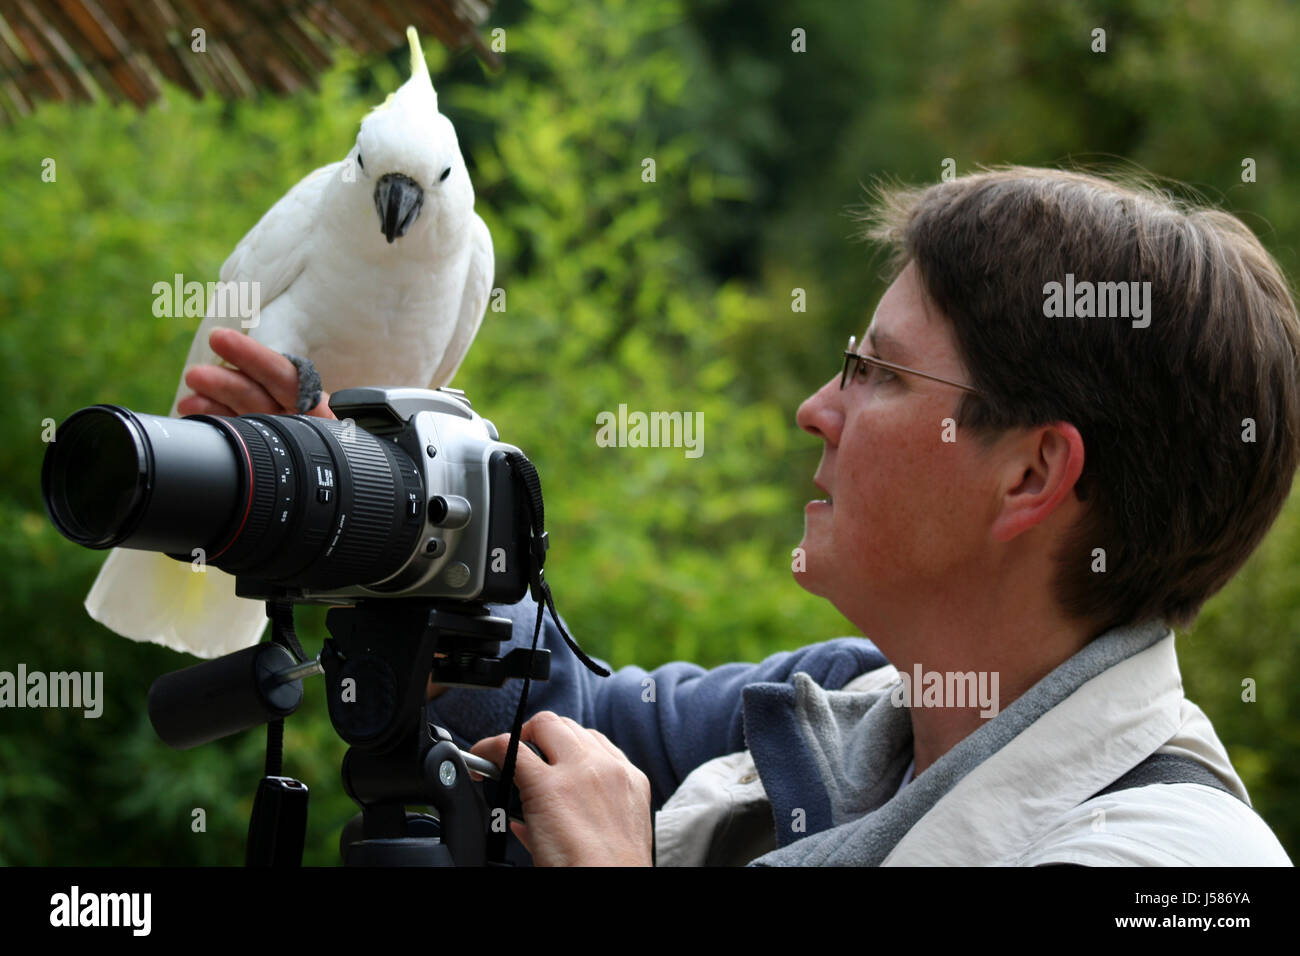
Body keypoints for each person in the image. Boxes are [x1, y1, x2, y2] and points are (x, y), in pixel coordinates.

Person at [179, 166, 1298, 866]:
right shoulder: (853, 710)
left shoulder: (1170, 861)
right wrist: (377, 499)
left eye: (875, 373)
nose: (816, 409)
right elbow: (561, 714)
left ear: (1029, 475)